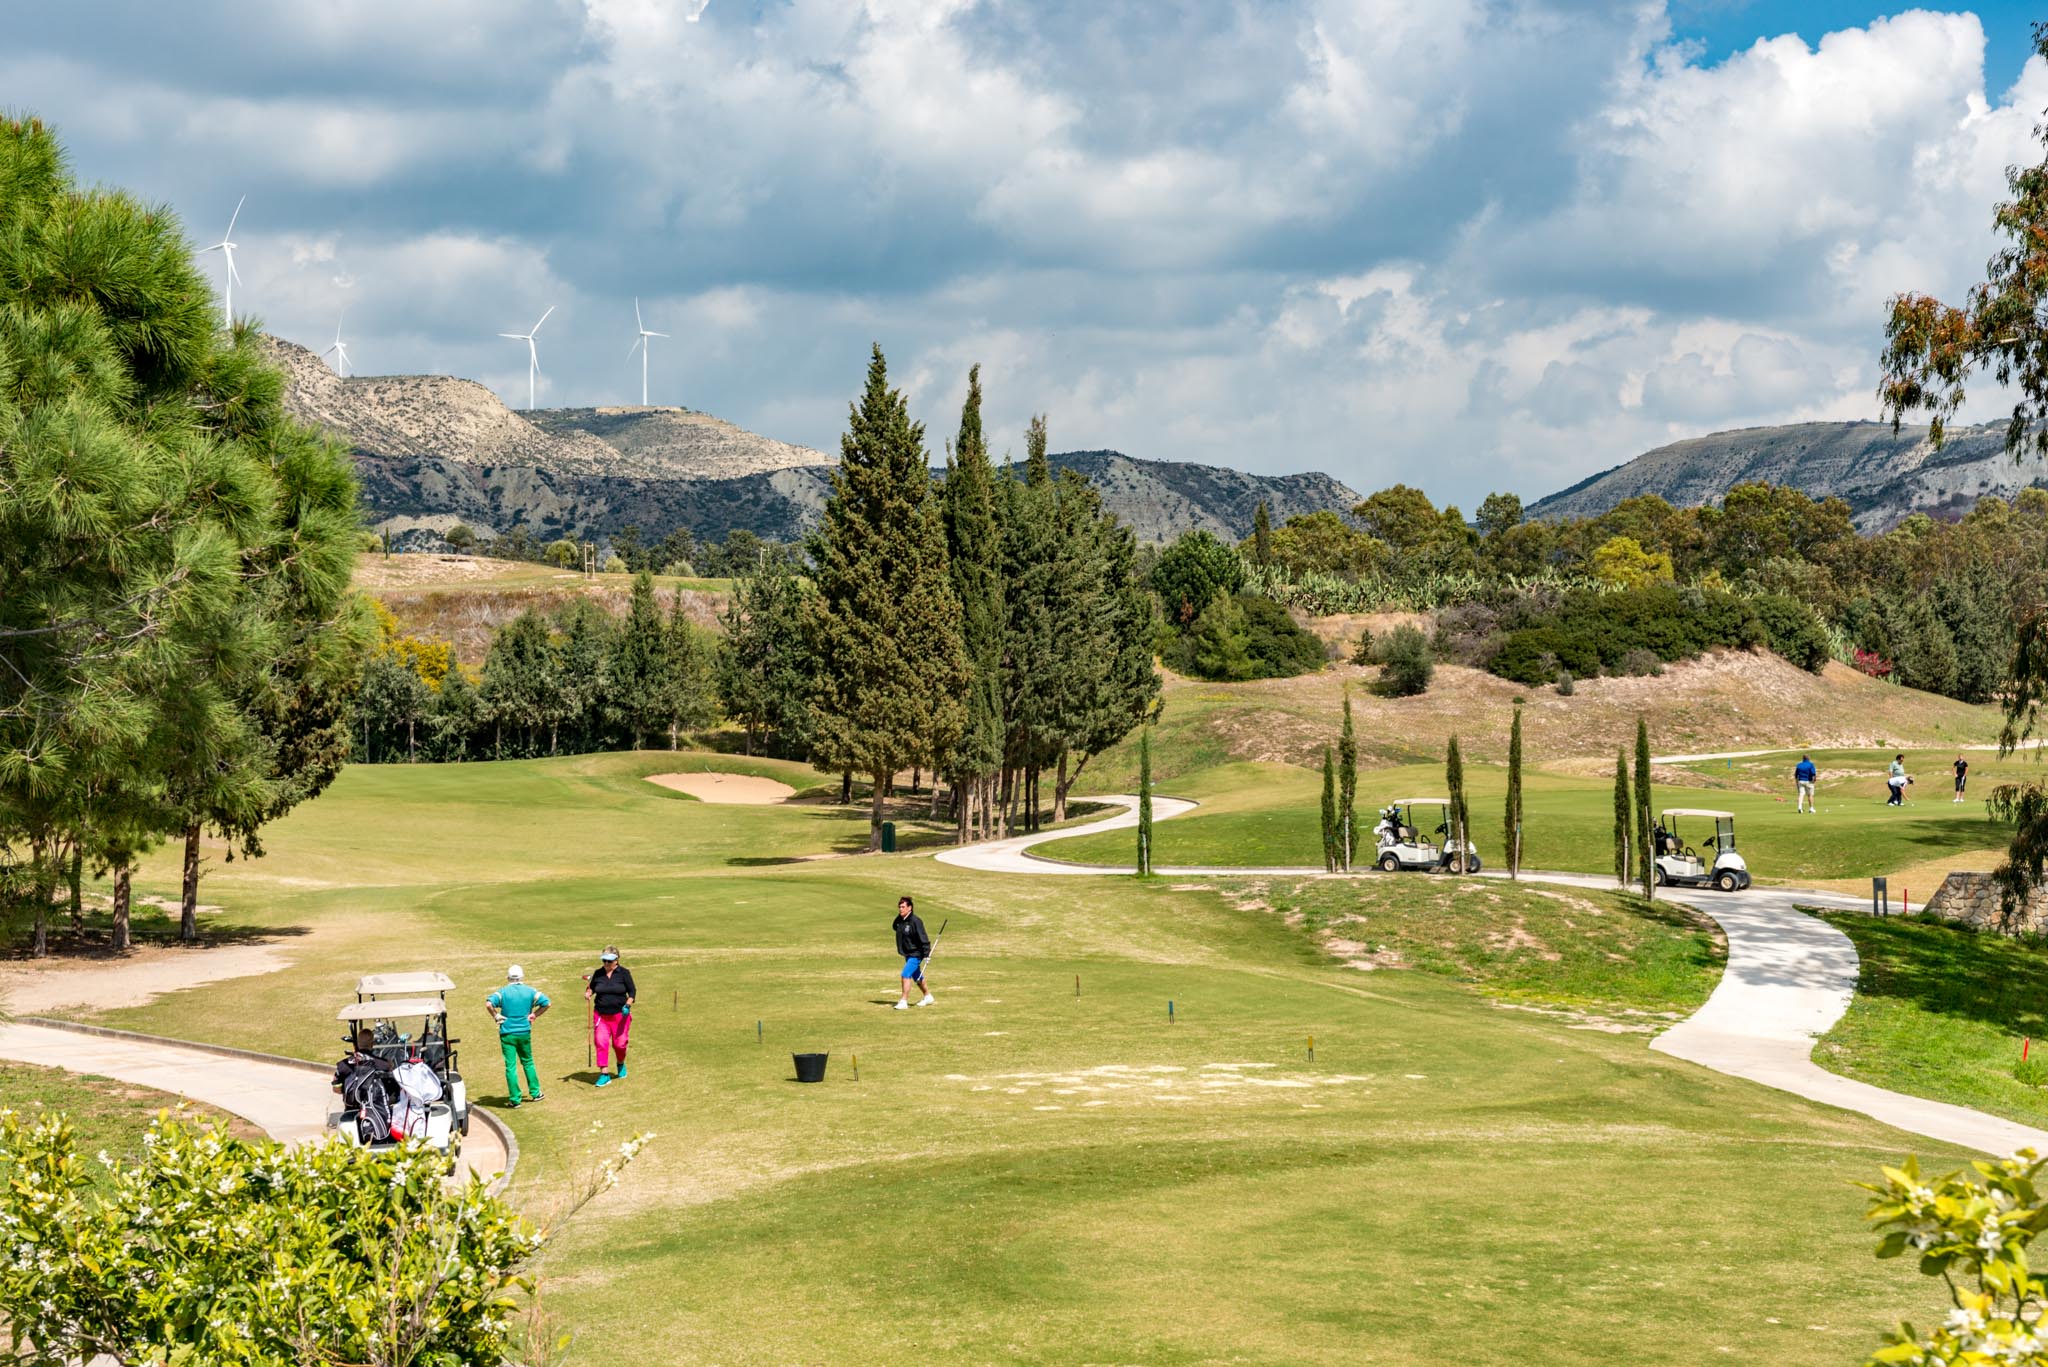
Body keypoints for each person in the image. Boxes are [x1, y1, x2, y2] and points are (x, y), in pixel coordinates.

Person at [485, 964, 550, 1108]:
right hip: (524, 1033)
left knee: (511, 1066)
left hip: (507, 1034)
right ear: (522, 977)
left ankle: (515, 1099)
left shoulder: (503, 992)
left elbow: (489, 1004)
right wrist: (534, 1015)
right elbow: (547, 1003)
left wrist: (496, 1015)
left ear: (508, 978)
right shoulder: (530, 991)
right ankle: (536, 1092)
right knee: (528, 1062)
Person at [586, 945, 636, 1087]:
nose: (606, 964)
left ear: (617, 960)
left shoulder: (624, 973)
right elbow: (592, 988)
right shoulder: (598, 973)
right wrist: (588, 993)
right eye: (604, 961)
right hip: (601, 1015)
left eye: (609, 961)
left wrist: (628, 1005)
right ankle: (604, 1074)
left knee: (620, 1044)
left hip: (620, 1015)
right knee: (601, 1042)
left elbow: (632, 991)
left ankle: (620, 1063)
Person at [893, 895, 934, 1010]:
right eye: (899, 907)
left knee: (905, 975)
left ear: (910, 908)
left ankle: (903, 1001)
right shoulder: (902, 921)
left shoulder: (916, 921)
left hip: (916, 954)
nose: (900, 909)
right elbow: (894, 926)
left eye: (903, 907)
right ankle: (928, 996)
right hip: (907, 953)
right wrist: (900, 915)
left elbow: (923, 938)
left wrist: (927, 954)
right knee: (917, 976)